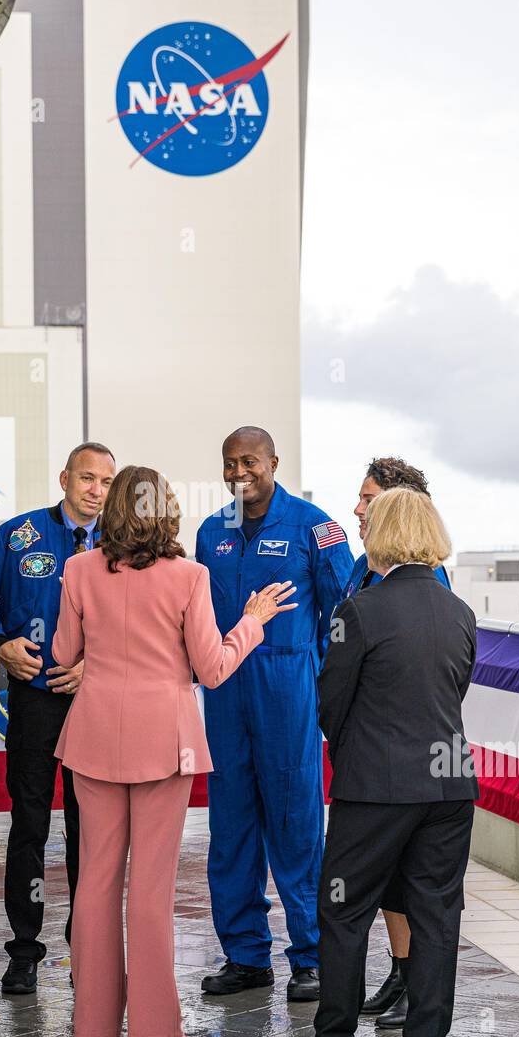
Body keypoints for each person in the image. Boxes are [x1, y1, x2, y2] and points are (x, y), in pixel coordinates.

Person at [51, 466, 296, 1037]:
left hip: (92, 737)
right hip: (164, 741)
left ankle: (93, 1027)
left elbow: (62, 652)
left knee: (95, 881)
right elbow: (212, 669)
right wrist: (252, 623)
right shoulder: (190, 576)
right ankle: (157, 1030)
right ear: (166, 511)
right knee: (151, 889)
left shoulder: (79, 569)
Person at [270, 487, 477, 1037]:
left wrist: (359, 753)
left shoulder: (359, 611)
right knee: (437, 916)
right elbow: (455, 691)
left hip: (375, 789)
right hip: (449, 788)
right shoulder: (459, 611)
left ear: (382, 534)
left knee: (343, 911)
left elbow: (330, 704)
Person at [196, 427, 354, 1002]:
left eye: (250, 462)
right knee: (231, 826)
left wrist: (322, 687)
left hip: (288, 693)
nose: (239, 473)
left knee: (296, 826)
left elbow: (346, 617)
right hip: (224, 693)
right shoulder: (211, 532)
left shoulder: (315, 527)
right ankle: (245, 956)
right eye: (229, 463)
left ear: (273, 463)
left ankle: (311, 957)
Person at [0, 442, 116, 995]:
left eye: (106, 482)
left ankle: (87, 944)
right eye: (86, 478)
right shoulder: (19, 535)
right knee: (29, 825)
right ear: (64, 478)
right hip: (34, 701)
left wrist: (98, 663)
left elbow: (141, 620)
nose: (96, 491)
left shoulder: (122, 542)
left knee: (92, 829)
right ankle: (24, 950)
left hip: (96, 702)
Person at [347, 457, 452, 1031]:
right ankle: (399, 971)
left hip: (409, 763)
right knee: (389, 883)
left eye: (368, 499)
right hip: (373, 755)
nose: (357, 509)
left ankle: (415, 984)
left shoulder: (429, 579)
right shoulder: (363, 568)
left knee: (411, 880)